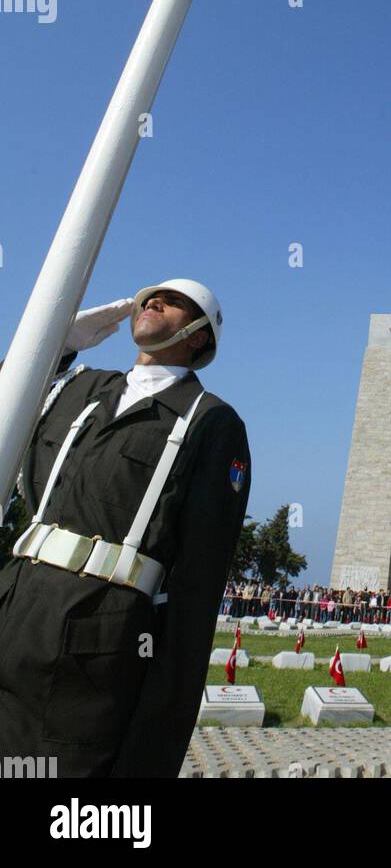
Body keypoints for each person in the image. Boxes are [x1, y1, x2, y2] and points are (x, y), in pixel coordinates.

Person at [0, 279, 250, 778]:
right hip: (13, 607)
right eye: (149, 297)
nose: (151, 301)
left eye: (173, 302)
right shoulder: (79, 387)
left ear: (199, 335)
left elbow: (195, 589)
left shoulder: (212, 422)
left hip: (94, 644)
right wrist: (55, 348)